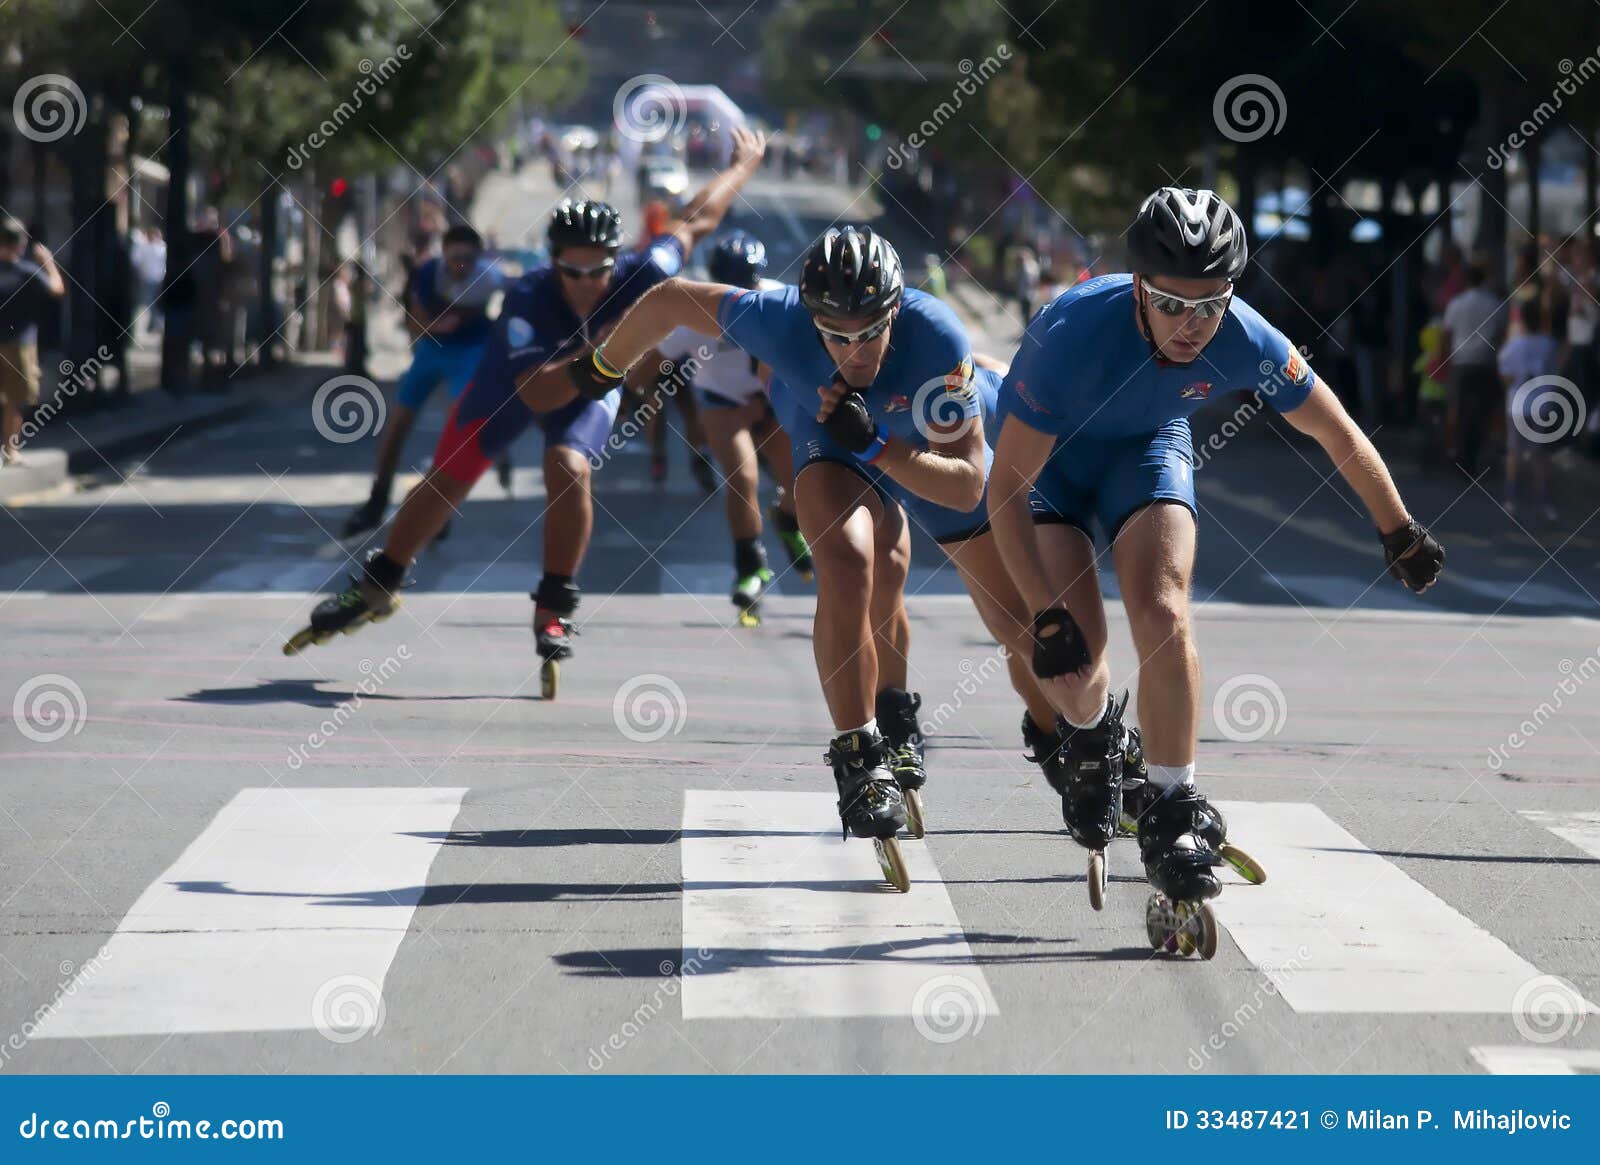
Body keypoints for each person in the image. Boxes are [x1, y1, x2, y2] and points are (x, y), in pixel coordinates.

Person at [986, 187, 1446, 908]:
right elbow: (1003, 492)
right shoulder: (1069, 338)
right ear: (1138, 286)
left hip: (1148, 450)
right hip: (1053, 469)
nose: (1192, 325)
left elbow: (1337, 431)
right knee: (1076, 662)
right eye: (1172, 304)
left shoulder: (1248, 336)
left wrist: (1398, 526)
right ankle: (1095, 734)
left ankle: (1173, 808)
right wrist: (1045, 613)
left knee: (1164, 611)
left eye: (1211, 306)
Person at [567, 225, 1062, 864]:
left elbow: (968, 486)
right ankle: (859, 751)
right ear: (810, 318)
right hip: (826, 432)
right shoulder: (777, 318)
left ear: (896, 310)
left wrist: (882, 445)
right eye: (835, 333)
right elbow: (667, 301)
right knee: (855, 561)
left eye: (870, 332)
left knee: (1010, 620)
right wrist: (603, 365)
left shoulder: (935, 335)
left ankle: (1060, 741)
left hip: (920, 451)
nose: (854, 350)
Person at [292, 127, 768, 672]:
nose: (587, 282)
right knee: (449, 476)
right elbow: (539, 392)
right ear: (553, 261)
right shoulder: (528, 298)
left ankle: (555, 603)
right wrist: (603, 358)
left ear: (618, 259)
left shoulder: (646, 272)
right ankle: (379, 582)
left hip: (591, 378)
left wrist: (742, 166)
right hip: (516, 384)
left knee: (568, 467)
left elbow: (697, 220)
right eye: (572, 270)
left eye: (599, 270)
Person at [654, 231, 812, 615]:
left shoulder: (781, 303)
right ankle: (750, 565)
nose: (742, 299)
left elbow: (807, 355)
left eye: (749, 287)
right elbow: (655, 355)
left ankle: (788, 518)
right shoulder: (693, 315)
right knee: (742, 479)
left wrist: (772, 400)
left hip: (771, 397)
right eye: (731, 289)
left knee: (801, 478)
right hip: (721, 400)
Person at [341, 224, 504, 540]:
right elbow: (413, 322)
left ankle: (439, 506)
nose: (461, 266)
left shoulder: (490, 279)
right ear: (444, 254)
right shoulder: (429, 273)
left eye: (468, 259)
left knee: (457, 427)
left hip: (469, 351)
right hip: (432, 350)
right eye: (455, 257)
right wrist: (433, 325)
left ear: (479, 258)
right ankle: (377, 500)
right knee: (397, 425)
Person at [0, 218, 66, 465]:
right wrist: (49, 264)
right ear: (21, 245)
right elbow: (57, 290)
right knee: (14, 400)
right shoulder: (27, 272)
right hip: (20, 344)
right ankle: (10, 451)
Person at [1498, 296, 1563, 520]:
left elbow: (1506, 376)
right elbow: (1555, 369)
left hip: (1517, 404)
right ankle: (1542, 499)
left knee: (1514, 452)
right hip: (1541, 404)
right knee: (1538, 453)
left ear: (1522, 320)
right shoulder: (1549, 344)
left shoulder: (1513, 346)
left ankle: (1511, 497)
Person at [1441, 262, 1508, 476]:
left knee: (1456, 408)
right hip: (1485, 362)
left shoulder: (1456, 303)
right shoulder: (1495, 304)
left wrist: (1444, 359)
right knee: (1483, 411)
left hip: (1461, 361)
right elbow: (1500, 336)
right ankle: (1475, 452)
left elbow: (1447, 334)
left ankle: (1454, 451)